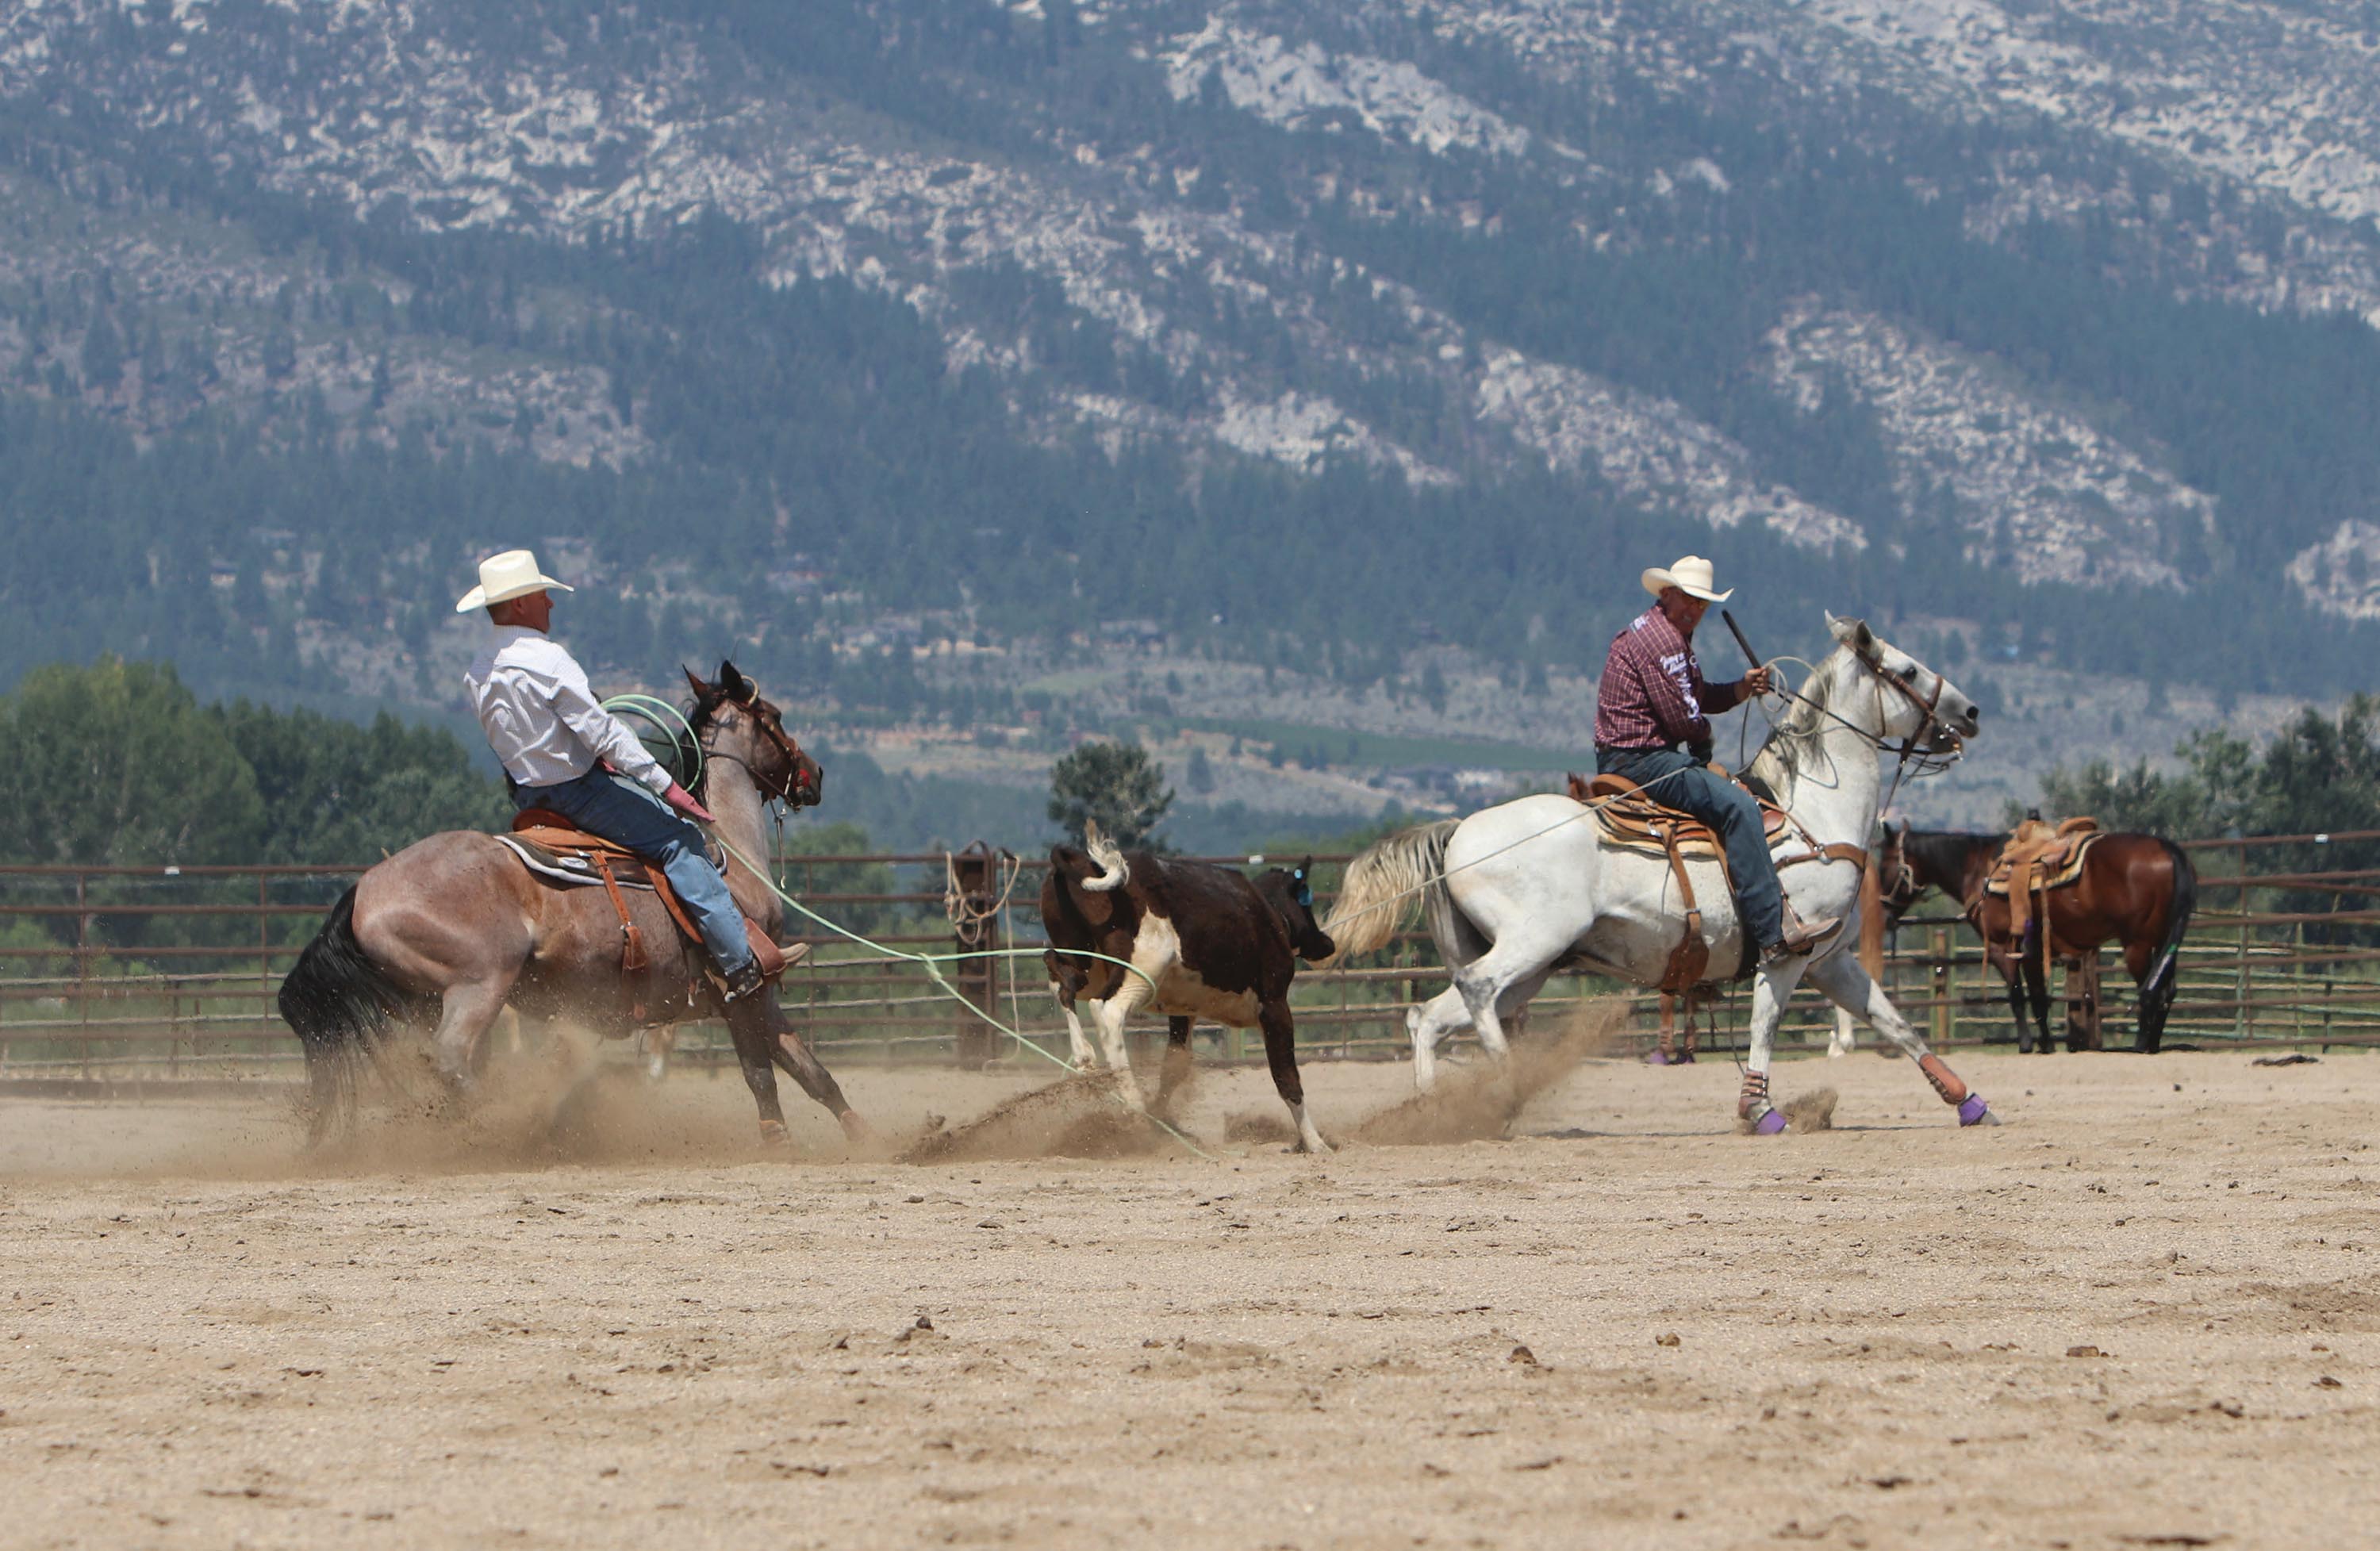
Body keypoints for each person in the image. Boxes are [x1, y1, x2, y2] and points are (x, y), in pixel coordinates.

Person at [457, 548, 766, 1001]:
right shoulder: (548, 660)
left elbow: (516, 736)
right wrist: (667, 786)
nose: (550, 602)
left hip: (527, 797)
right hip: (581, 794)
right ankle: (740, 963)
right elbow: (604, 734)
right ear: (521, 603)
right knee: (679, 841)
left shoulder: (478, 671)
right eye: (542, 594)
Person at [1592, 554, 1836, 966]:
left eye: (1702, 602)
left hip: (1627, 755)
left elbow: (1693, 695)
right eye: (1689, 598)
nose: (1695, 609)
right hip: (1642, 761)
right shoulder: (1666, 642)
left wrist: (1740, 689)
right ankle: (1772, 933)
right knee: (1740, 807)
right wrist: (1704, 741)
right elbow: (1684, 719)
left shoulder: (1655, 630)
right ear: (1667, 593)